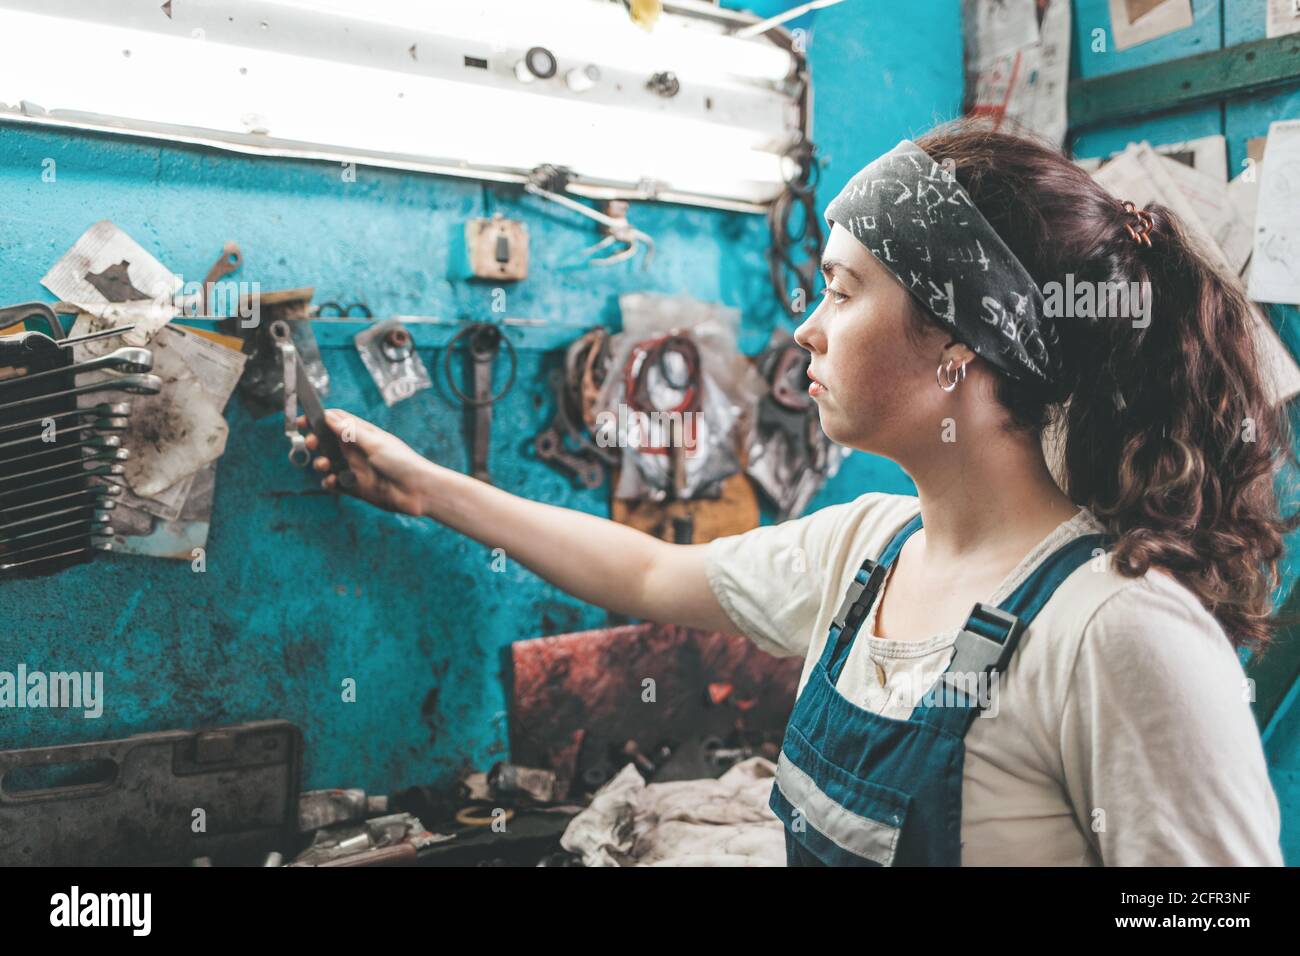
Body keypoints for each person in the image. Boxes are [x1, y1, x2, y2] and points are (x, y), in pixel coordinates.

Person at [296, 116, 1295, 866]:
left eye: (843, 289)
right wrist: (426, 487)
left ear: (959, 344)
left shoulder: (1119, 630)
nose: (806, 331)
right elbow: (648, 568)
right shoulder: (867, 551)